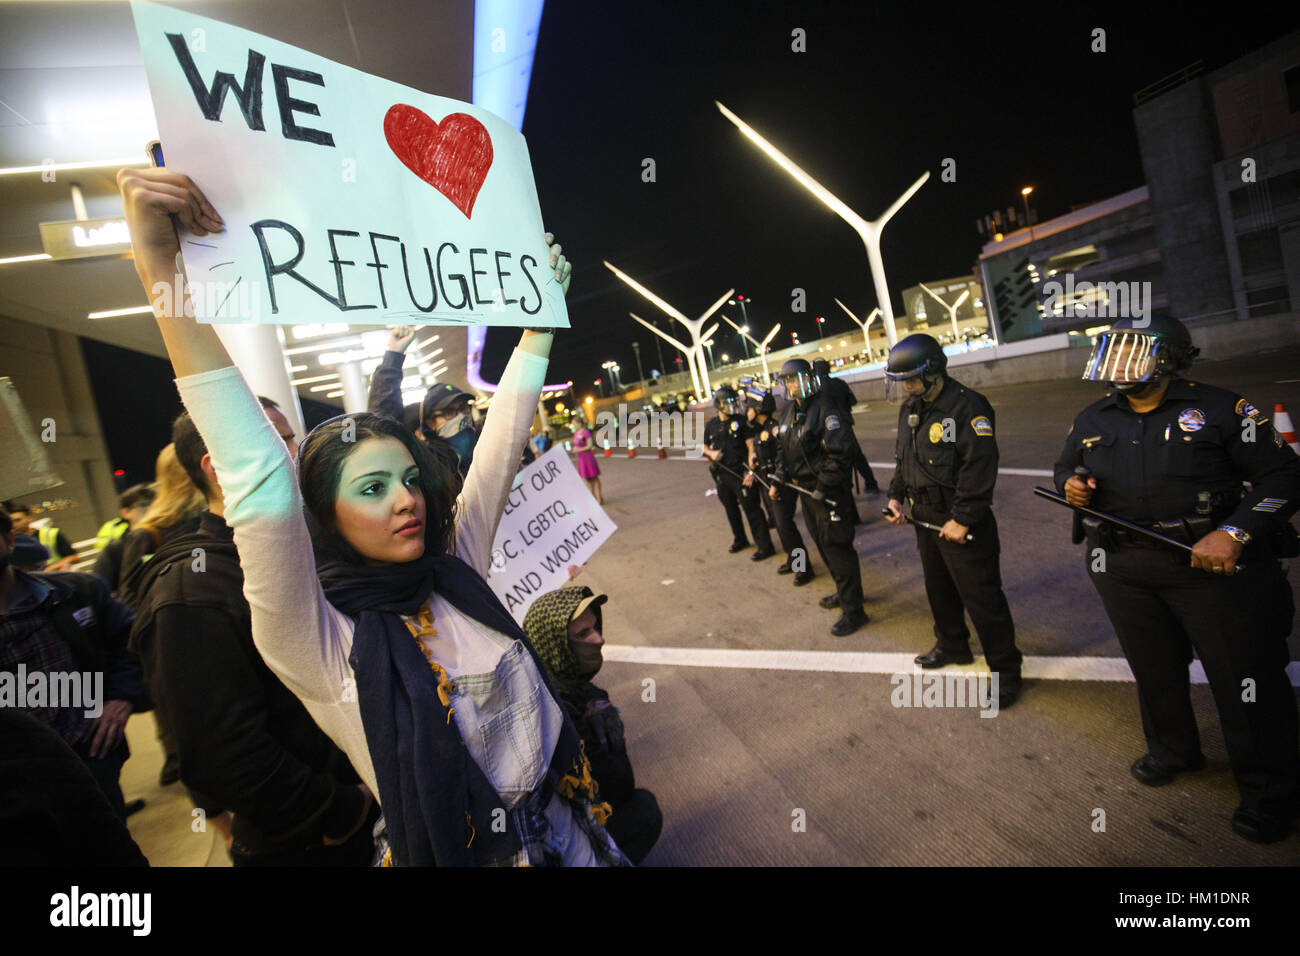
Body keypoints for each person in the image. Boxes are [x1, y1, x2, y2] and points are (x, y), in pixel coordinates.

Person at [117, 165, 626, 867]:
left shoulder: (455, 574)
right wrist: (160, 269)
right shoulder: (317, 642)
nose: (406, 498)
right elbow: (260, 477)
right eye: (373, 487)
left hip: (577, 837)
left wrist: (538, 328)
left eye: (412, 480)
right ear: (323, 515)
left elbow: (501, 447)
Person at [1053, 314, 1300, 843]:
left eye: (1129, 352)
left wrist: (1235, 533)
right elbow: (1065, 469)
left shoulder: (1223, 409)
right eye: (1111, 352)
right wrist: (1073, 484)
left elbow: (1285, 475)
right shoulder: (1094, 416)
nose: (1116, 364)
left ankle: (1269, 791)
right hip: (1123, 567)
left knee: (1245, 680)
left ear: (1166, 357)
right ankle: (1174, 751)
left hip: (1209, 565)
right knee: (1154, 667)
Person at [130, 410, 378, 866]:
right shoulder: (192, 590)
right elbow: (221, 751)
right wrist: (339, 812)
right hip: (313, 846)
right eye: (278, 440)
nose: (297, 453)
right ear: (216, 465)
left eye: (292, 437)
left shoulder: (315, 544)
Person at [883, 334, 1021, 707]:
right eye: (902, 381)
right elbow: (904, 458)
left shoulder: (967, 408)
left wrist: (963, 518)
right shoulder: (911, 409)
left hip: (960, 520)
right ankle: (953, 645)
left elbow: (979, 466)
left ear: (934, 372)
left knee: (982, 599)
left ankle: (1006, 672)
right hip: (925, 518)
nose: (907, 388)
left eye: (912, 379)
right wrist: (896, 496)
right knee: (939, 589)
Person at [0, 507, 142, 820]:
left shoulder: (76, 592)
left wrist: (120, 696)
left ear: (10, 540)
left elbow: (129, 641)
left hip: (89, 761)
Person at [523, 586, 662, 864]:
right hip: (563, 846)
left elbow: (586, 690)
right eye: (583, 634)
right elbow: (619, 787)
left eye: (595, 627)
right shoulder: (559, 720)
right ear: (555, 645)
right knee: (644, 812)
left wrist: (598, 699)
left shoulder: (551, 682)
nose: (599, 639)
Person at [773, 360, 868, 635]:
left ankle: (854, 611)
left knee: (838, 547)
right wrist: (780, 474)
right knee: (824, 544)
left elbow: (840, 453)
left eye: (796, 379)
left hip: (826, 491)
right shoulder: (789, 411)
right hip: (806, 491)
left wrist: (824, 485)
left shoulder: (826, 408)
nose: (792, 385)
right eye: (788, 381)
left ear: (808, 380)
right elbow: (783, 447)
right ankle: (844, 593)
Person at [368, 325, 473, 482]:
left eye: (464, 408)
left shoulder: (484, 447)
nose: (461, 417)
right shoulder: (426, 462)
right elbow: (383, 424)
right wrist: (393, 356)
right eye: (450, 412)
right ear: (430, 423)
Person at [748, 388, 814, 584]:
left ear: (759, 409)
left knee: (786, 526)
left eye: (750, 408)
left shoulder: (774, 429)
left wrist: (776, 482)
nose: (747, 412)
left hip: (780, 484)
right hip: (766, 483)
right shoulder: (760, 430)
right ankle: (794, 561)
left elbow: (782, 457)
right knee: (779, 524)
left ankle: (804, 568)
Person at [703, 386, 775, 560]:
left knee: (752, 510)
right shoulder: (711, 425)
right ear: (719, 404)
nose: (732, 406)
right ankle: (740, 539)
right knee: (730, 509)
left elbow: (751, 447)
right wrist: (711, 454)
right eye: (728, 403)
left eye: (733, 402)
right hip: (722, 474)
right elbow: (704, 446)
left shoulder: (741, 422)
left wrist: (751, 472)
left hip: (741, 474)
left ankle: (765, 546)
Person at [813, 358, 880, 493]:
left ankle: (845, 489)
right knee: (857, 456)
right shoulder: (839, 383)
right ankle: (871, 483)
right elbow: (852, 401)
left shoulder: (816, 389)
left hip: (828, 428)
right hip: (845, 424)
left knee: (836, 460)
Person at [91, 482, 159, 594]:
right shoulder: (116, 550)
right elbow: (99, 593)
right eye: (144, 505)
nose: (151, 510)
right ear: (125, 512)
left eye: (155, 505)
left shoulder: (163, 541)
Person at [5, 502, 78, 571]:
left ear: (29, 518)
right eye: (11, 522)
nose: (14, 524)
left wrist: (51, 569)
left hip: (56, 579)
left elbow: (74, 557)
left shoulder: (51, 534)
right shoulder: (8, 543)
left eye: (18, 520)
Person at [571, 414, 604, 504]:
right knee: (588, 480)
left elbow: (589, 446)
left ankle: (599, 498)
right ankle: (593, 499)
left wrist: (579, 449)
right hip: (581, 459)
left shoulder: (586, 432)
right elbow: (576, 445)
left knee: (594, 478)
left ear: (579, 423)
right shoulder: (575, 434)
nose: (573, 426)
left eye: (574, 424)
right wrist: (574, 449)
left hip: (588, 457)